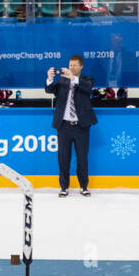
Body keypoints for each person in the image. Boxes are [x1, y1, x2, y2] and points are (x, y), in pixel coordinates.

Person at [46, 54, 96, 197]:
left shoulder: (87, 79)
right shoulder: (62, 81)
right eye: (70, 65)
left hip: (81, 126)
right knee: (63, 157)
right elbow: (49, 90)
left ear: (81, 66)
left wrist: (73, 78)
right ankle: (64, 187)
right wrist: (50, 78)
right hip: (64, 126)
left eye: (74, 65)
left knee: (82, 157)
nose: (71, 68)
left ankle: (83, 186)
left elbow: (87, 88)